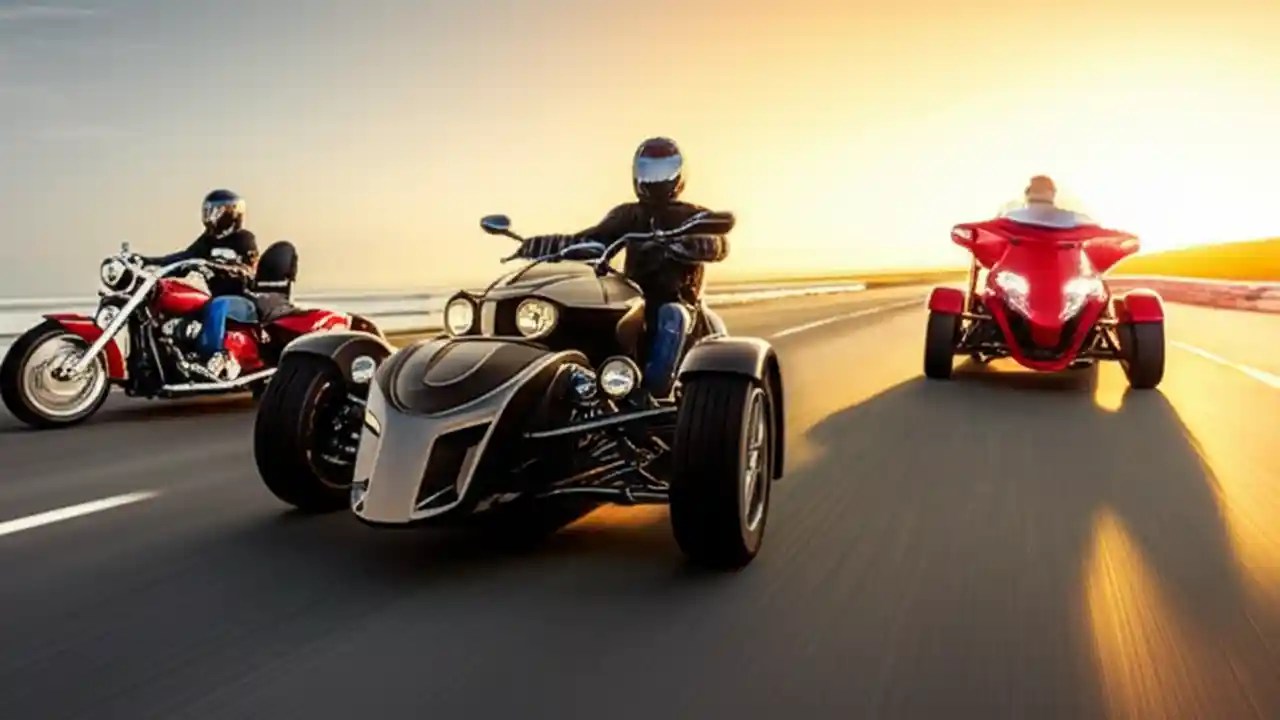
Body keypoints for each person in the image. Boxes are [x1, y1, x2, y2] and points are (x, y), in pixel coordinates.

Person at [514, 137, 729, 400]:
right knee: (588, 310)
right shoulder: (627, 215)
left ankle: (654, 393)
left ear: (678, 175)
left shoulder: (694, 215)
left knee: (672, 316)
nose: (655, 180)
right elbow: (592, 237)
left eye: (662, 171)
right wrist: (543, 245)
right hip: (633, 297)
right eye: (649, 171)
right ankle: (584, 387)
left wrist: (696, 243)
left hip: (680, 300)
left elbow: (719, 244)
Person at [139, 189, 259, 380]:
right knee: (188, 304)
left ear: (231, 212)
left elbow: (249, 268)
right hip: (215, 297)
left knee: (217, 305)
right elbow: (183, 257)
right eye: (208, 210)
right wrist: (147, 261)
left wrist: (226, 267)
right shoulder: (207, 240)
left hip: (243, 300)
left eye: (216, 210)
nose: (210, 216)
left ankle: (210, 357)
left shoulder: (243, 238)